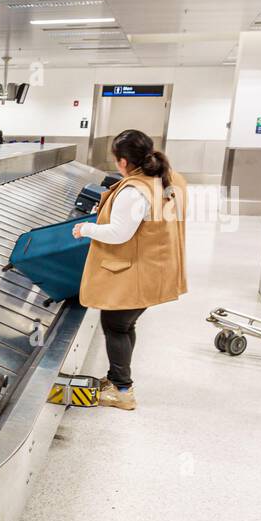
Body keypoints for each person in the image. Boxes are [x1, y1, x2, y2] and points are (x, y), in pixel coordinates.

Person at [71, 128, 187, 411]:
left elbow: (119, 233)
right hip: (156, 267)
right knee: (124, 324)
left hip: (137, 272)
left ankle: (123, 391)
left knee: (115, 325)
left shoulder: (134, 191)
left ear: (122, 161)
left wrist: (85, 229)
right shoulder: (164, 179)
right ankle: (117, 380)